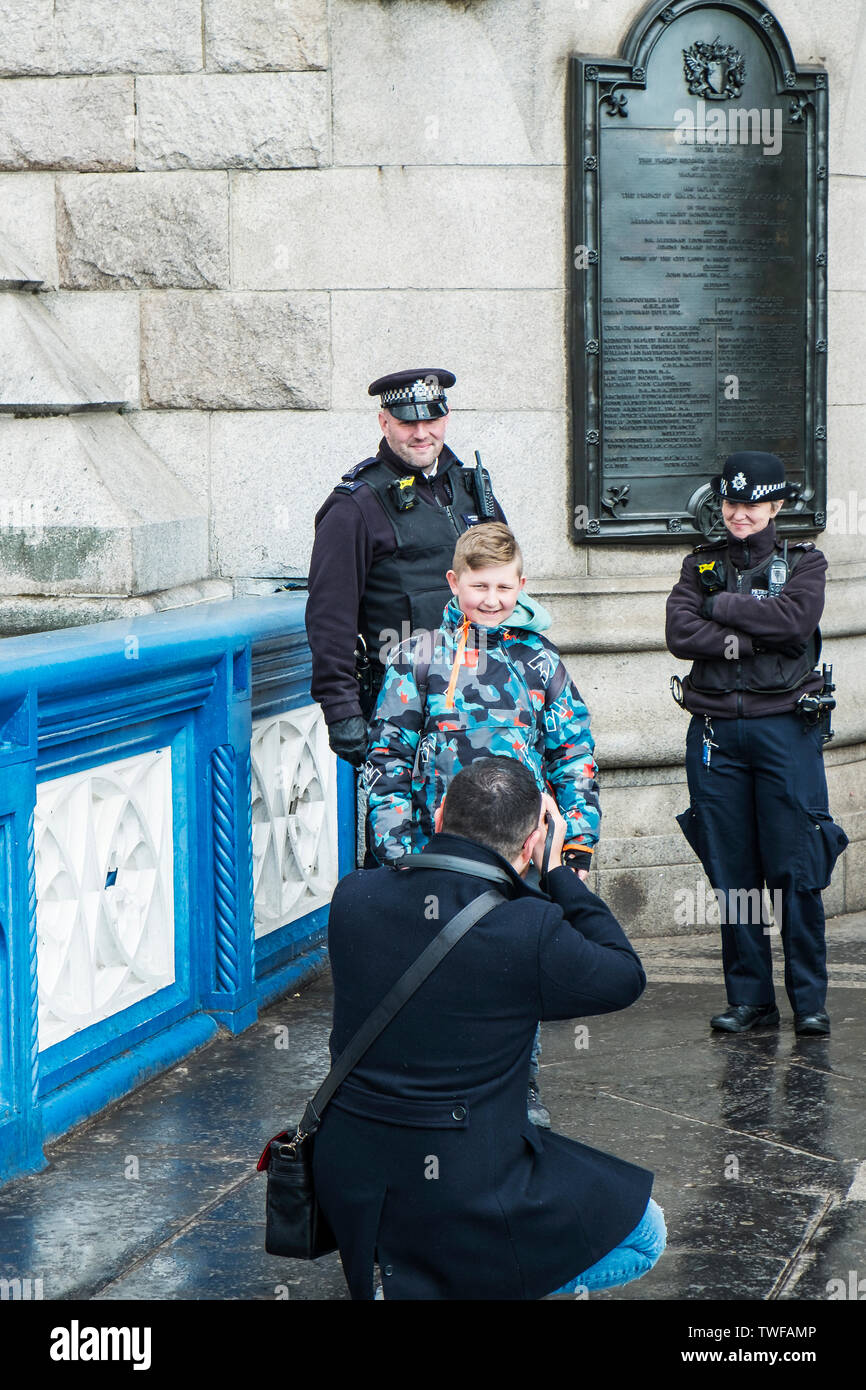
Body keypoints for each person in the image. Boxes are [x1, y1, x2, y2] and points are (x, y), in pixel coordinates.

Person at [313, 757, 665, 1300]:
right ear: (530, 845)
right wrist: (557, 874)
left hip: (351, 1169)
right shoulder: (530, 931)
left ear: (437, 817)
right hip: (464, 1182)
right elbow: (624, 974)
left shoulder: (353, 897)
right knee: (646, 1233)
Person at [363, 520, 600, 1125]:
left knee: (514, 970)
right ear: (453, 583)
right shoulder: (418, 657)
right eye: (478, 586)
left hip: (521, 851)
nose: (492, 599)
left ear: (522, 585)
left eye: (503, 586)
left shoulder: (541, 663)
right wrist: (395, 846)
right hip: (437, 850)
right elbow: (386, 757)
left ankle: (521, 1089)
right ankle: (434, 1090)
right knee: (433, 969)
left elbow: (573, 755)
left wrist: (574, 842)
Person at [665, 451, 848, 1036]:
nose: (739, 514)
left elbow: (795, 623)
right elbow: (678, 632)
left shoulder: (805, 561)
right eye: (731, 503)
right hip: (717, 731)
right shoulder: (700, 565)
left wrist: (720, 610)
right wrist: (747, 635)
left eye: (751, 504)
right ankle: (750, 999)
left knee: (796, 867)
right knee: (733, 872)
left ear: (774, 506)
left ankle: (809, 1001)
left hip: (785, 729)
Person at [304, 367, 507, 770]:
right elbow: (330, 617)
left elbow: (507, 590)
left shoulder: (472, 492)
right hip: (405, 705)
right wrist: (341, 708)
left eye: (430, 419)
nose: (420, 433)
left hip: (486, 699)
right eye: (406, 422)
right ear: (384, 422)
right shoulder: (355, 506)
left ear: (446, 418)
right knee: (405, 829)